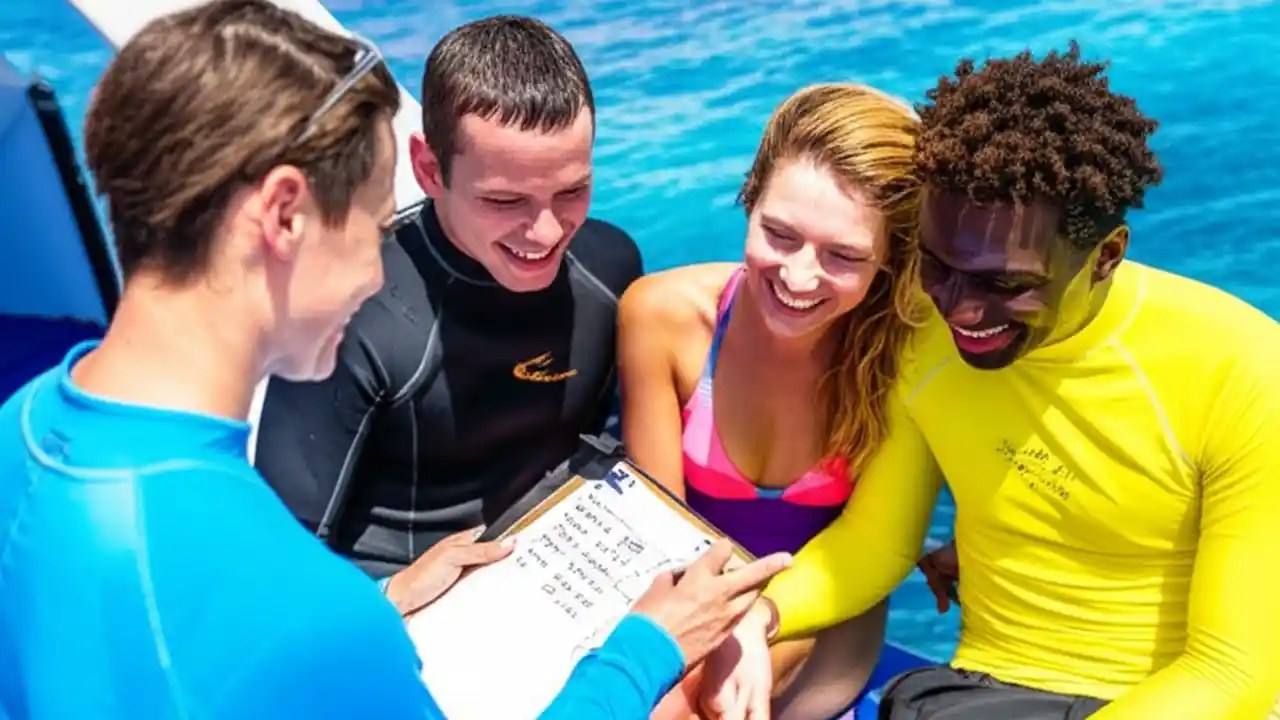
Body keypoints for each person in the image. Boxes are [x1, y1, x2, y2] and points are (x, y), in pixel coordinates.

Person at [0, 2, 792, 717]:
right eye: (376, 223)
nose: (379, 271)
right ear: (284, 214)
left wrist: (384, 599)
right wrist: (644, 654)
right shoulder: (304, 605)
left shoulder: (20, 430)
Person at [704, 42, 1280, 720]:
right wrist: (761, 616)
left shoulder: (1244, 370)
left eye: (1005, 284)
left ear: (1107, 257)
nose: (961, 310)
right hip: (980, 691)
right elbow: (877, 542)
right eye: (939, 266)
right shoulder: (921, 335)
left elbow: (1230, 669)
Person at [252, 14, 644, 579]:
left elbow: (621, 449)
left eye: (572, 191)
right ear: (429, 169)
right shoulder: (355, 310)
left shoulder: (609, 267)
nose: (548, 233)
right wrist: (393, 596)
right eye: (506, 201)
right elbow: (274, 556)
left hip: (558, 571)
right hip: (400, 601)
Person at [616, 83, 926, 719]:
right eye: (780, 234)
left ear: (891, 258)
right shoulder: (664, 318)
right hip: (693, 601)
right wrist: (706, 641)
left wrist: (756, 625)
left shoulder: (909, 355)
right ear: (749, 197)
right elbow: (659, 535)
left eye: (843, 255)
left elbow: (875, 544)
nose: (800, 277)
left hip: (823, 619)